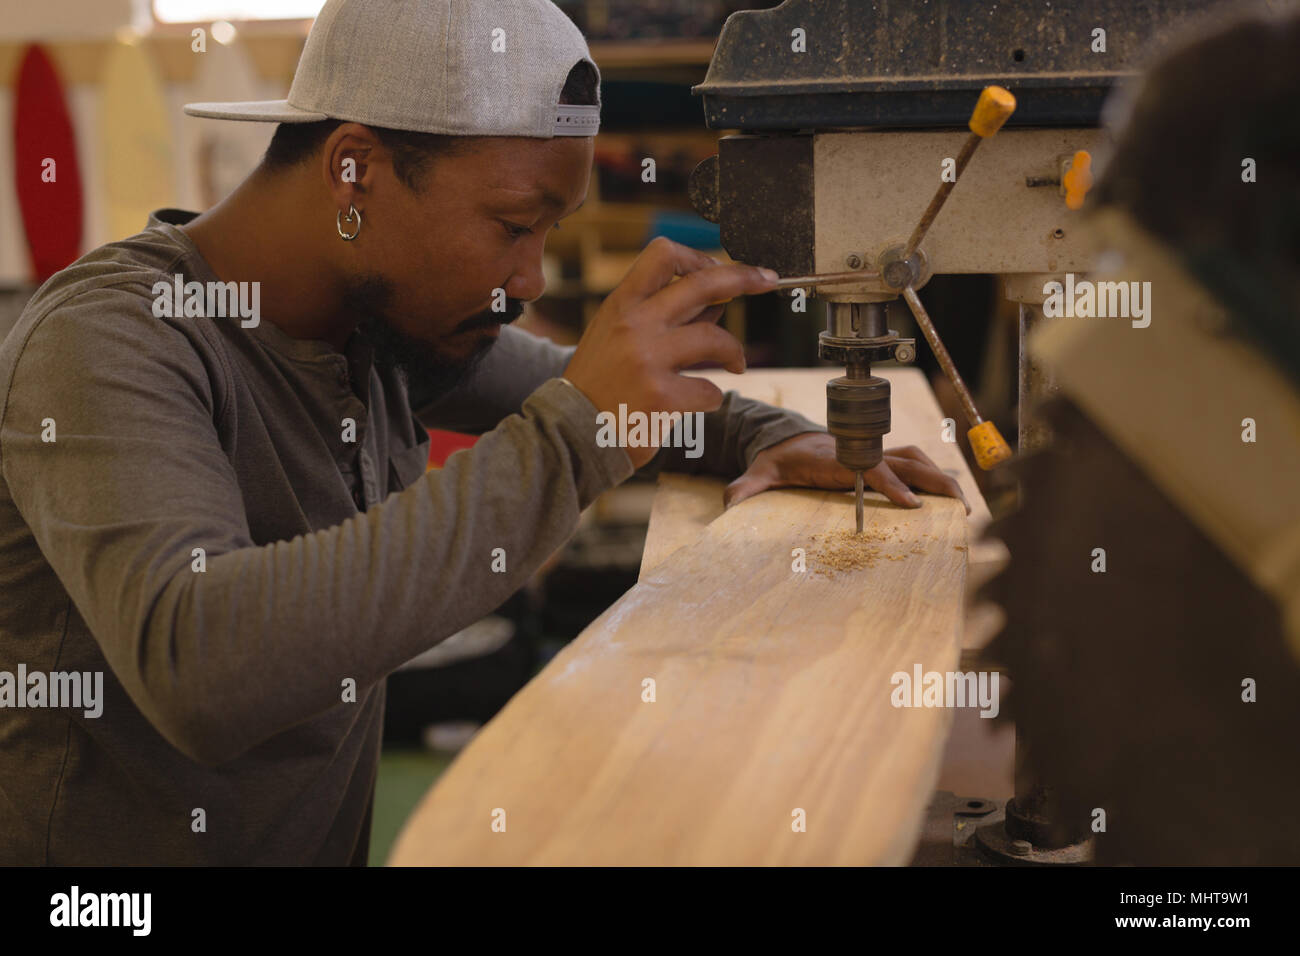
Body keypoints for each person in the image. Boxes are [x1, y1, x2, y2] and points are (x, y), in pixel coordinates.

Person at [0, 0, 966, 864]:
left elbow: (581, 388)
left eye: (550, 231)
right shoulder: (109, 343)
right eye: (513, 223)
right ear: (353, 170)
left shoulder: (378, 325)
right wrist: (577, 432)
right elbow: (200, 667)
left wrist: (767, 431)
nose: (535, 277)